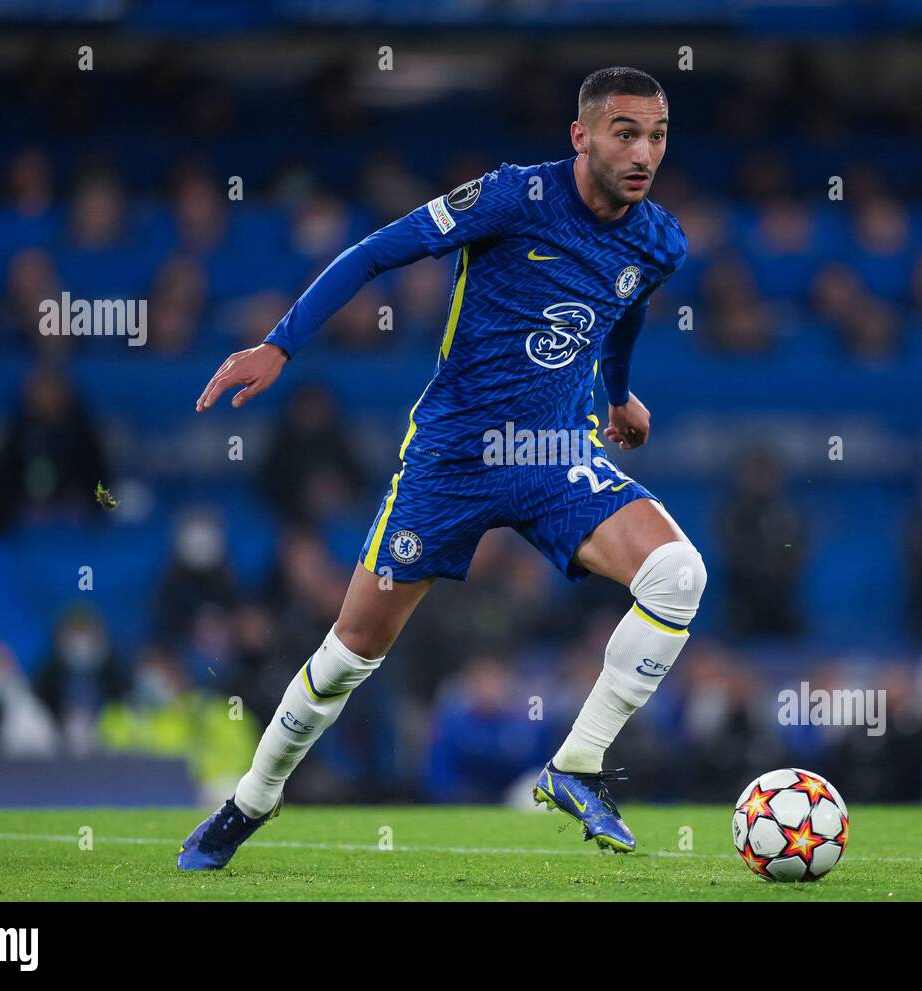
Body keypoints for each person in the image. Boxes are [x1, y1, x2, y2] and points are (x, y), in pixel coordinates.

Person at [177, 66, 705, 869]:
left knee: (677, 575)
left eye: (657, 135)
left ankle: (576, 765)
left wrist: (621, 395)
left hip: (553, 455)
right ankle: (251, 799)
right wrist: (278, 342)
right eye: (625, 132)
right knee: (350, 652)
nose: (643, 151)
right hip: (452, 458)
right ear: (583, 135)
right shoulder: (510, 198)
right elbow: (372, 254)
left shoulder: (658, 239)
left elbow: (623, 308)